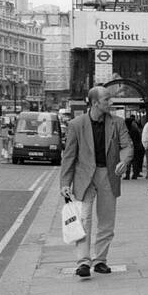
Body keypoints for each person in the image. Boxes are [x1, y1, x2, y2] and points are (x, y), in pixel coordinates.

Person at [59, 86, 134, 279]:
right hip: (84, 177)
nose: (111, 102)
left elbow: (127, 145)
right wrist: (65, 183)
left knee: (106, 221)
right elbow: (69, 156)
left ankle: (100, 260)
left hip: (108, 175)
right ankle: (83, 262)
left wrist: (124, 160)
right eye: (107, 100)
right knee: (84, 219)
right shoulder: (77, 124)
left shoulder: (117, 123)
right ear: (95, 103)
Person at [126, 113, 145, 180]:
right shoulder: (135, 129)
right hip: (136, 147)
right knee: (135, 161)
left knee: (127, 161)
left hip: (128, 147)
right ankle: (135, 174)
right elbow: (138, 138)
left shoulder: (126, 130)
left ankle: (127, 175)